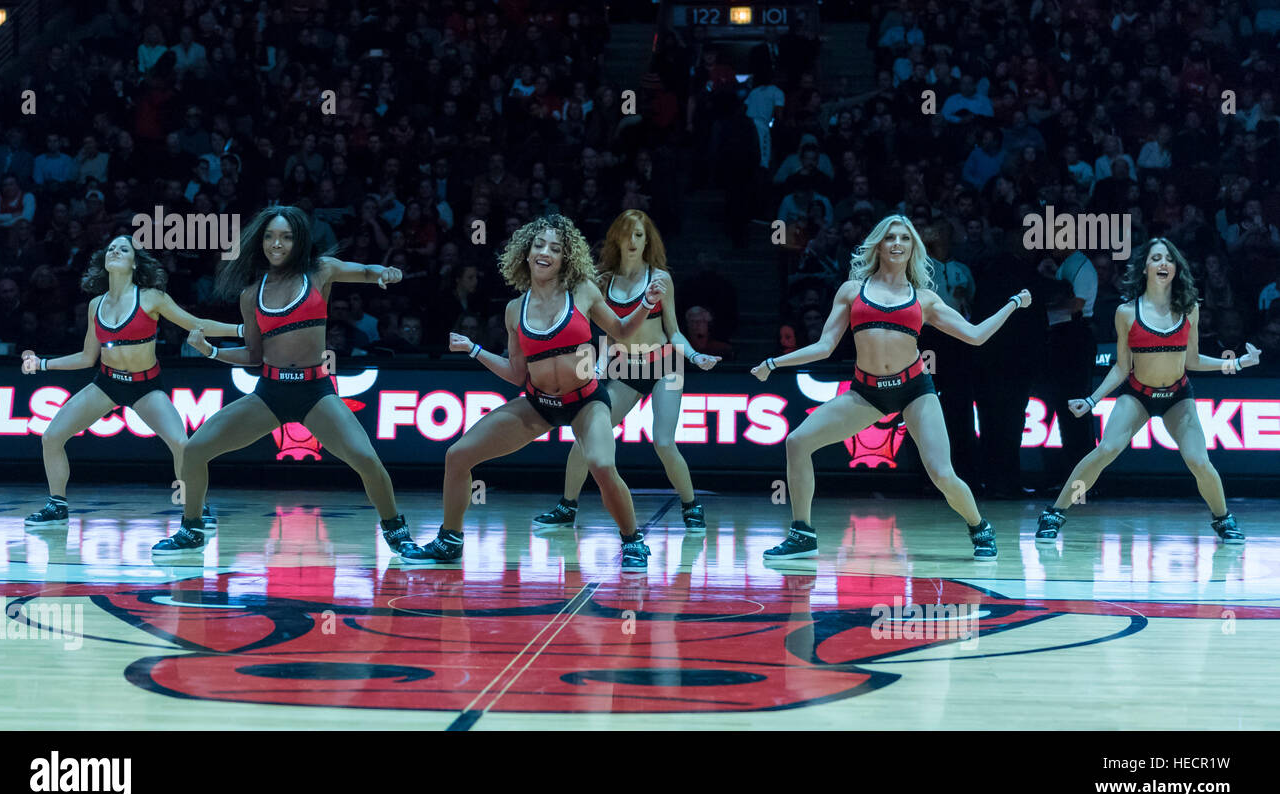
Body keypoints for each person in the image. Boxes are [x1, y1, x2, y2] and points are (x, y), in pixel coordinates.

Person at [751, 215, 1032, 561]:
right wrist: (774, 362)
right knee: (797, 442)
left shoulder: (924, 299)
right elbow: (824, 346)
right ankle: (802, 533)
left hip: (915, 389)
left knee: (943, 474)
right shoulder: (852, 291)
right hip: (866, 393)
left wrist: (1014, 304)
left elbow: (975, 336)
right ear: (878, 246)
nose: (897, 243)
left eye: (904, 238)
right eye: (890, 238)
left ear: (913, 247)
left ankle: (979, 527)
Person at [402, 214, 665, 571]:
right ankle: (450, 540)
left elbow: (619, 329)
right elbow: (515, 374)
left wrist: (647, 304)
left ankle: (633, 540)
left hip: (586, 402)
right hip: (539, 404)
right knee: (458, 455)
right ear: (526, 253)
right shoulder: (514, 310)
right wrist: (475, 349)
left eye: (555, 248)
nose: (545, 252)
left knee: (602, 465)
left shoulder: (583, 290)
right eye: (539, 245)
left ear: (565, 258)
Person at [152, 206, 417, 555]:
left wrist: (384, 272)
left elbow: (365, 271)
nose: (277, 244)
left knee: (367, 460)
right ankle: (192, 528)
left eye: (286, 237)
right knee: (195, 450)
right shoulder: (251, 294)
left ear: (299, 241)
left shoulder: (320, 271)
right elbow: (253, 356)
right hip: (270, 393)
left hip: (315, 392)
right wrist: (212, 352)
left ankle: (397, 531)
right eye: (270, 236)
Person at [1035, 238, 1261, 543]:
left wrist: (1238, 364)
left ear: (1176, 268)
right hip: (1138, 394)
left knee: (1198, 461)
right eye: (1156, 258)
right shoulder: (1126, 312)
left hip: (1178, 396)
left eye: (1169, 258)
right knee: (1106, 451)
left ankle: (1223, 519)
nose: (1164, 263)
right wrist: (1092, 400)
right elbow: (1120, 367)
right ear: (1145, 268)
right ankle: (1056, 511)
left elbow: (1191, 360)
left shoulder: (1189, 309)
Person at [21, 236, 241, 526]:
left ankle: (195, 508)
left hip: (145, 387)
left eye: (123, 249)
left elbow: (197, 324)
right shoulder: (95, 305)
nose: (115, 251)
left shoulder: (151, 297)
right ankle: (57, 506)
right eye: (111, 248)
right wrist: (42, 364)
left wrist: (242, 329)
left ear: (134, 262)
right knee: (51, 437)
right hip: (107, 383)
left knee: (182, 444)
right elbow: (88, 358)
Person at [532, 210, 720, 532]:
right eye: (627, 234)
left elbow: (673, 331)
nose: (632, 241)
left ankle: (691, 505)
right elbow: (603, 336)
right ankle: (567, 507)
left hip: (664, 364)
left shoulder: (660, 278)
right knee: (585, 439)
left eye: (639, 235)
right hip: (624, 366)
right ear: (616, 238)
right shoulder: (603, 281)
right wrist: (599, 367)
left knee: (663, 442)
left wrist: (693, 355)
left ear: (647, 241)